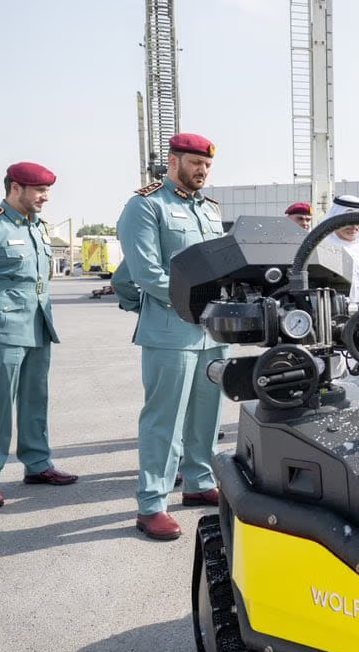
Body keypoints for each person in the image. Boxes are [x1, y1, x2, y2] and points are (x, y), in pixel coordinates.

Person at [116, 133, 229, 539]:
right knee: (164, 419)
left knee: (207, 414)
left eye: (208, 165)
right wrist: (200, 301)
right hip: (170, 330)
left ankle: (198, 483)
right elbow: (145, 273)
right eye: (195, 163)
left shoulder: (211, 210)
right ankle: (152, 504)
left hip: (212, 331)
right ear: (174, 160)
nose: (202, 170)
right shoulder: (145, 206)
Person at [0, 162, 78, 508]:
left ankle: (38, 464)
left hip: (38, 325)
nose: (46, 198)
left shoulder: (38, 227)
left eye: (48, 191)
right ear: (15, 188)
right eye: (40, 191)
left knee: (35, 400)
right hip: (4, 329)